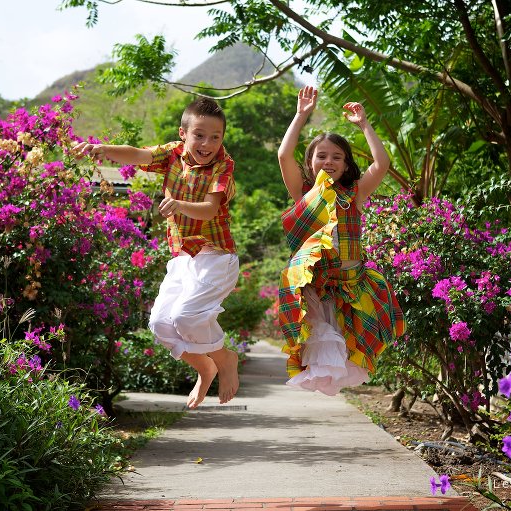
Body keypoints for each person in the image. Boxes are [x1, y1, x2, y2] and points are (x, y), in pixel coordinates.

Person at [72, 97, 240, 409]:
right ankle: (205, 367)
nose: (207, 143)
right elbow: (139, 154)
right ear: (183, 134)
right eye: (199, 135)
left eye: (215, 137)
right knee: (161, 324)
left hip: (216, 257)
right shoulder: (172, 154)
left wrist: (178, 205)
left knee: (186, 317)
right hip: (182, 259)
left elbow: (209, 209)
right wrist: (102, 149)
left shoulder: (223, 165)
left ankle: (225, 359)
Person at [277, 85, 406, 395]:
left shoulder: (355, 194)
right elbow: (283, 155)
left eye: (337, 157)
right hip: (315, 281)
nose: (329, 161)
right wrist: (300, 115)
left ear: (347, 165)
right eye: (322, 156)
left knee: (349, 338)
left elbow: (382, 164)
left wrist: (364, 125)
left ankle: (338, 373)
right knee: (319, 336)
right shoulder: (304, 194)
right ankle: (316, 372)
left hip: (349, 280)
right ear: (310, 162)